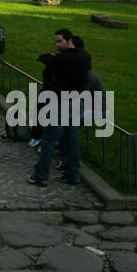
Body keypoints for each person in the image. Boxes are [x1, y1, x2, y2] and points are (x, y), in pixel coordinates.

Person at [28, 28, 89, 186]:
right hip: (77, 100)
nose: (56, 44)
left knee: (48, 139)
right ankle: (73, 174)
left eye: (59, 41)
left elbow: (47, 76)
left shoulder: (60, 59)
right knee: (72, 138)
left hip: (61, 102)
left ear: (69, 40)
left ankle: (41, 175)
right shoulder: (84, 56)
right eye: (55, 41)